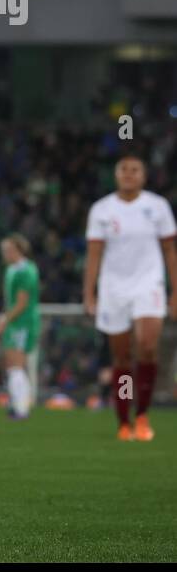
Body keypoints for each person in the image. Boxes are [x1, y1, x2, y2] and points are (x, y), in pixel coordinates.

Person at [84, 153, 177, 441]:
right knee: (122, 357)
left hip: (149, 285)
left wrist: (175, 291)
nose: (129, 173)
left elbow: (169, 251)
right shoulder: (102, 209)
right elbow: (94, 255)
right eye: (124, 169)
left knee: (148, 347)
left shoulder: (157, 207)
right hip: (113, 289)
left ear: (144, 175)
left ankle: (143, 414)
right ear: (116, 175)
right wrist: (90, 292)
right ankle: (124, 420)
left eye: (135, 169)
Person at [0, 234, 40, 420]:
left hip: (22, 323)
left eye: (7, 250)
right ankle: (17, 404)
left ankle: (21, 408)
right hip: (16, 322)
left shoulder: (26, 271)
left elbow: (21, 303)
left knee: (16, 366)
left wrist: (3, 320)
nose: (4, 254)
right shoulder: (13, 270)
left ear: (16, 250)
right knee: (13, 365)